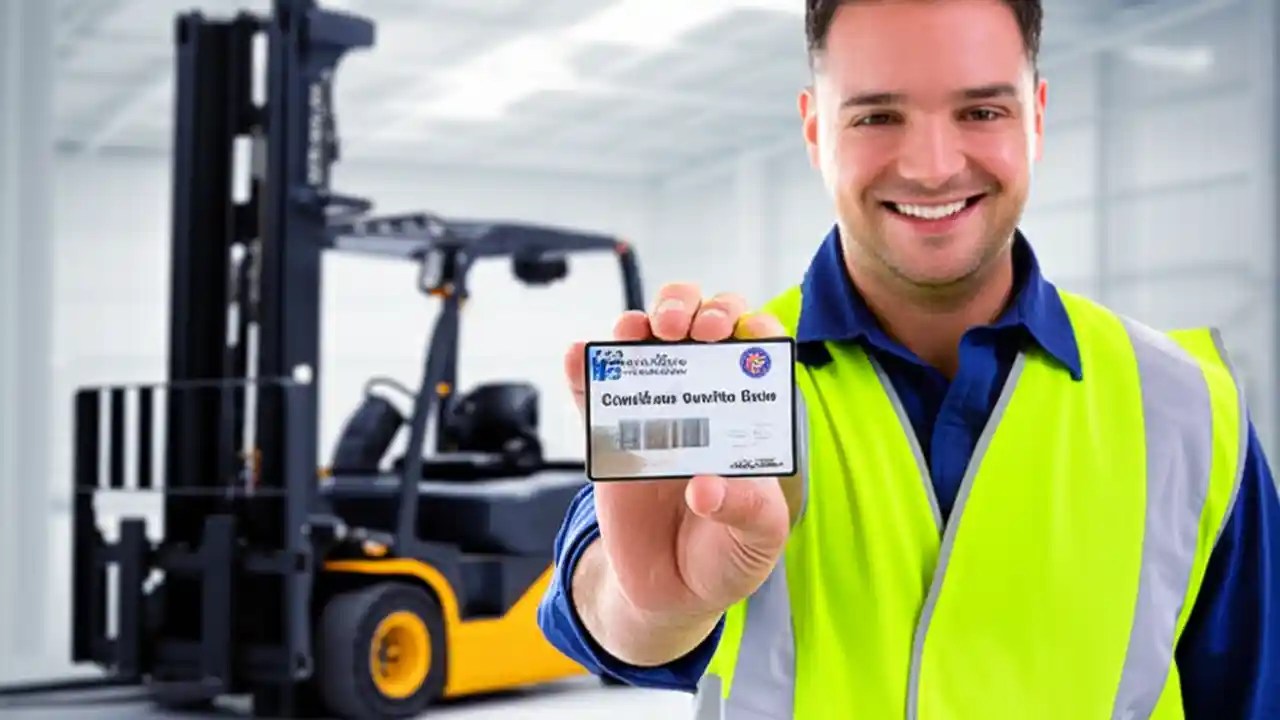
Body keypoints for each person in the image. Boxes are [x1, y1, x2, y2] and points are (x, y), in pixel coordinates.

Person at [538, 0, 1280, 717]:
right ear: (815, 129)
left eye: (982, 111)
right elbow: (602, 595)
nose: (931, 167)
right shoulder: (723, 377)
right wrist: (657, 610)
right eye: (877, 116)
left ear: (1037, 118)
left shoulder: (1187, 409)